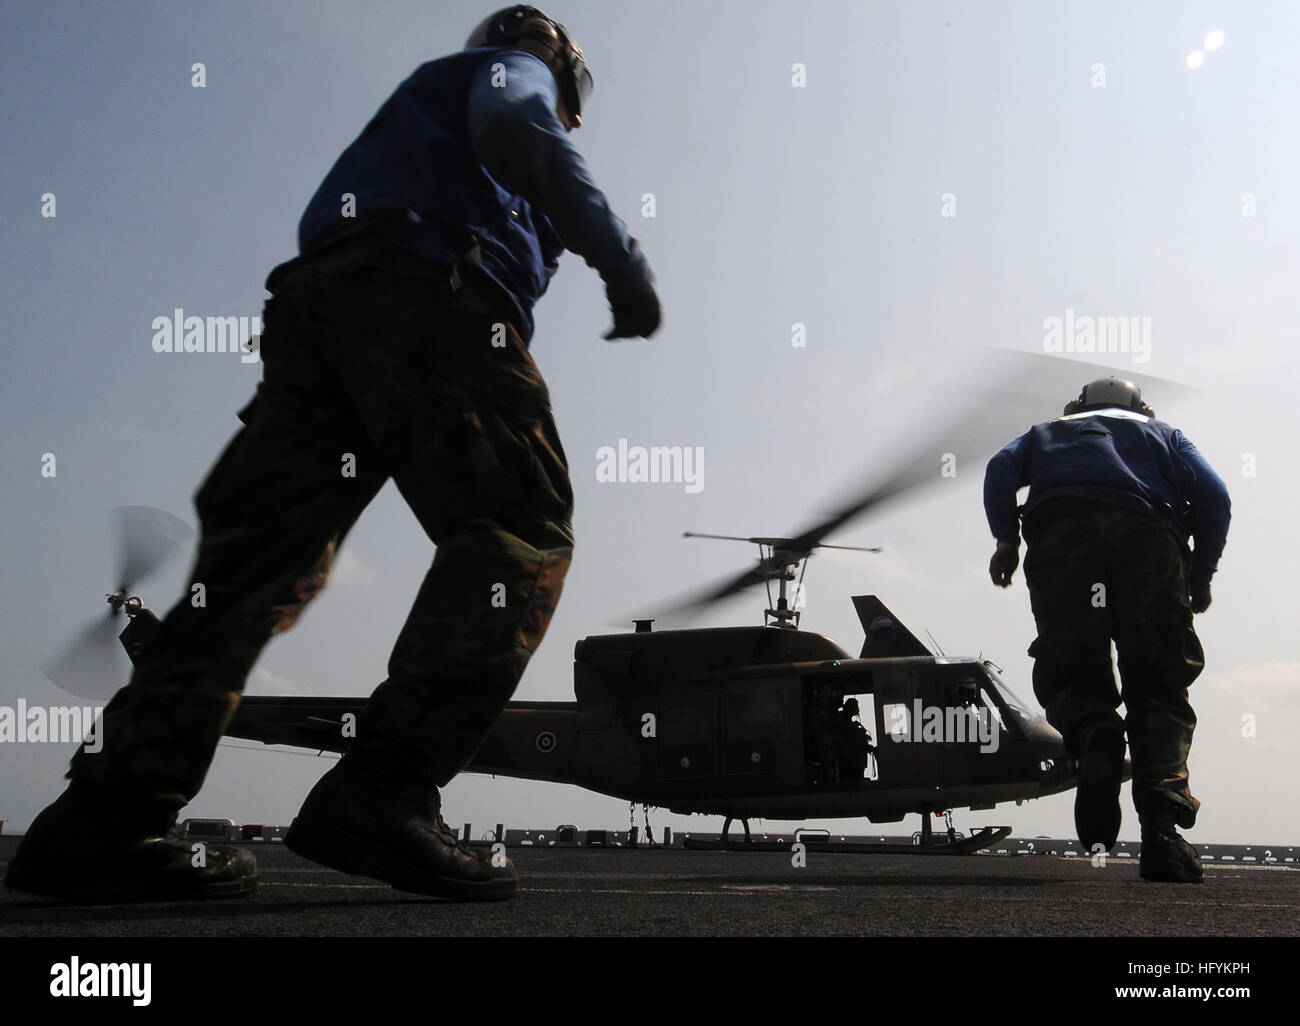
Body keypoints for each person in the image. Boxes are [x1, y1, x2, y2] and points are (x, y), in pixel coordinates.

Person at [7, 5, 659, 903]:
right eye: (572, 99)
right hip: (432, 294)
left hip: (318, 312)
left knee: (249, 574)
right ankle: (384, 790)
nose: (570, 116)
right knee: (518, 528)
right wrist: (621, 259)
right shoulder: (511, 80)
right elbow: (520, 125)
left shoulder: (420, 117)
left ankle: (103, 821)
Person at [983, 377, 1229, 882]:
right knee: (1159, 688)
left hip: (1062, 543)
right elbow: (1216, 497)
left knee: (1071, 669)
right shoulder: (1167, 437)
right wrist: (1200, 579)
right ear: (1143, 408)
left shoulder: (1047, 432)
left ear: (1077, 405)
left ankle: (1095, 732)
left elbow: (1000, 469)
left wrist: (1007, 540)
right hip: (1148, 545)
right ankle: (1161, 840)